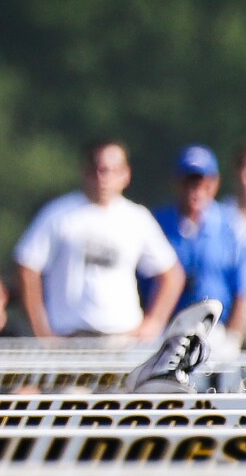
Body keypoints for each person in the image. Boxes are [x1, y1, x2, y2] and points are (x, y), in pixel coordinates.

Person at [15, 139, 184, 339]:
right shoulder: (59, 214)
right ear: (85, 172)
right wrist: (41, 330)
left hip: (122, 337)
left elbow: (171, 275)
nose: (103, 177)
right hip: (70, 337)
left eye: (112, 170)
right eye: (97, 169)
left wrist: (154, 323)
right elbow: (26, 267)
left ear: (126, 175)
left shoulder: (137, 218)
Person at [146, 145, 246, 351]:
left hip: (215, 332)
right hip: (167, 330)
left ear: (214, 184)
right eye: (189, 183)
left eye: (203, 183)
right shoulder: (158, 224)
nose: (195, 191)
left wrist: (233, 337)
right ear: (177, 184)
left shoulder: (231, 228)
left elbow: (243, 291)